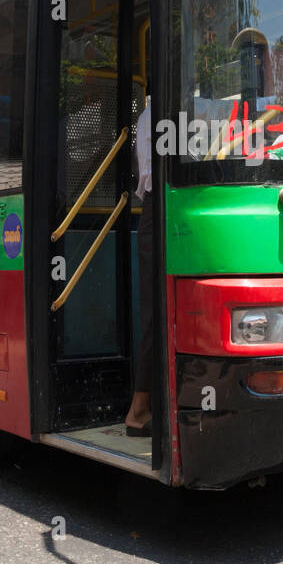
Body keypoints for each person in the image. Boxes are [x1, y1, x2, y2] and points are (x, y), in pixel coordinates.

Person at [123, 97, 154, 437]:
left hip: (156, 207)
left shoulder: (149, 115)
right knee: (156, 310)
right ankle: (139, 409)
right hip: (159, 207)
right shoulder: (163, 114)